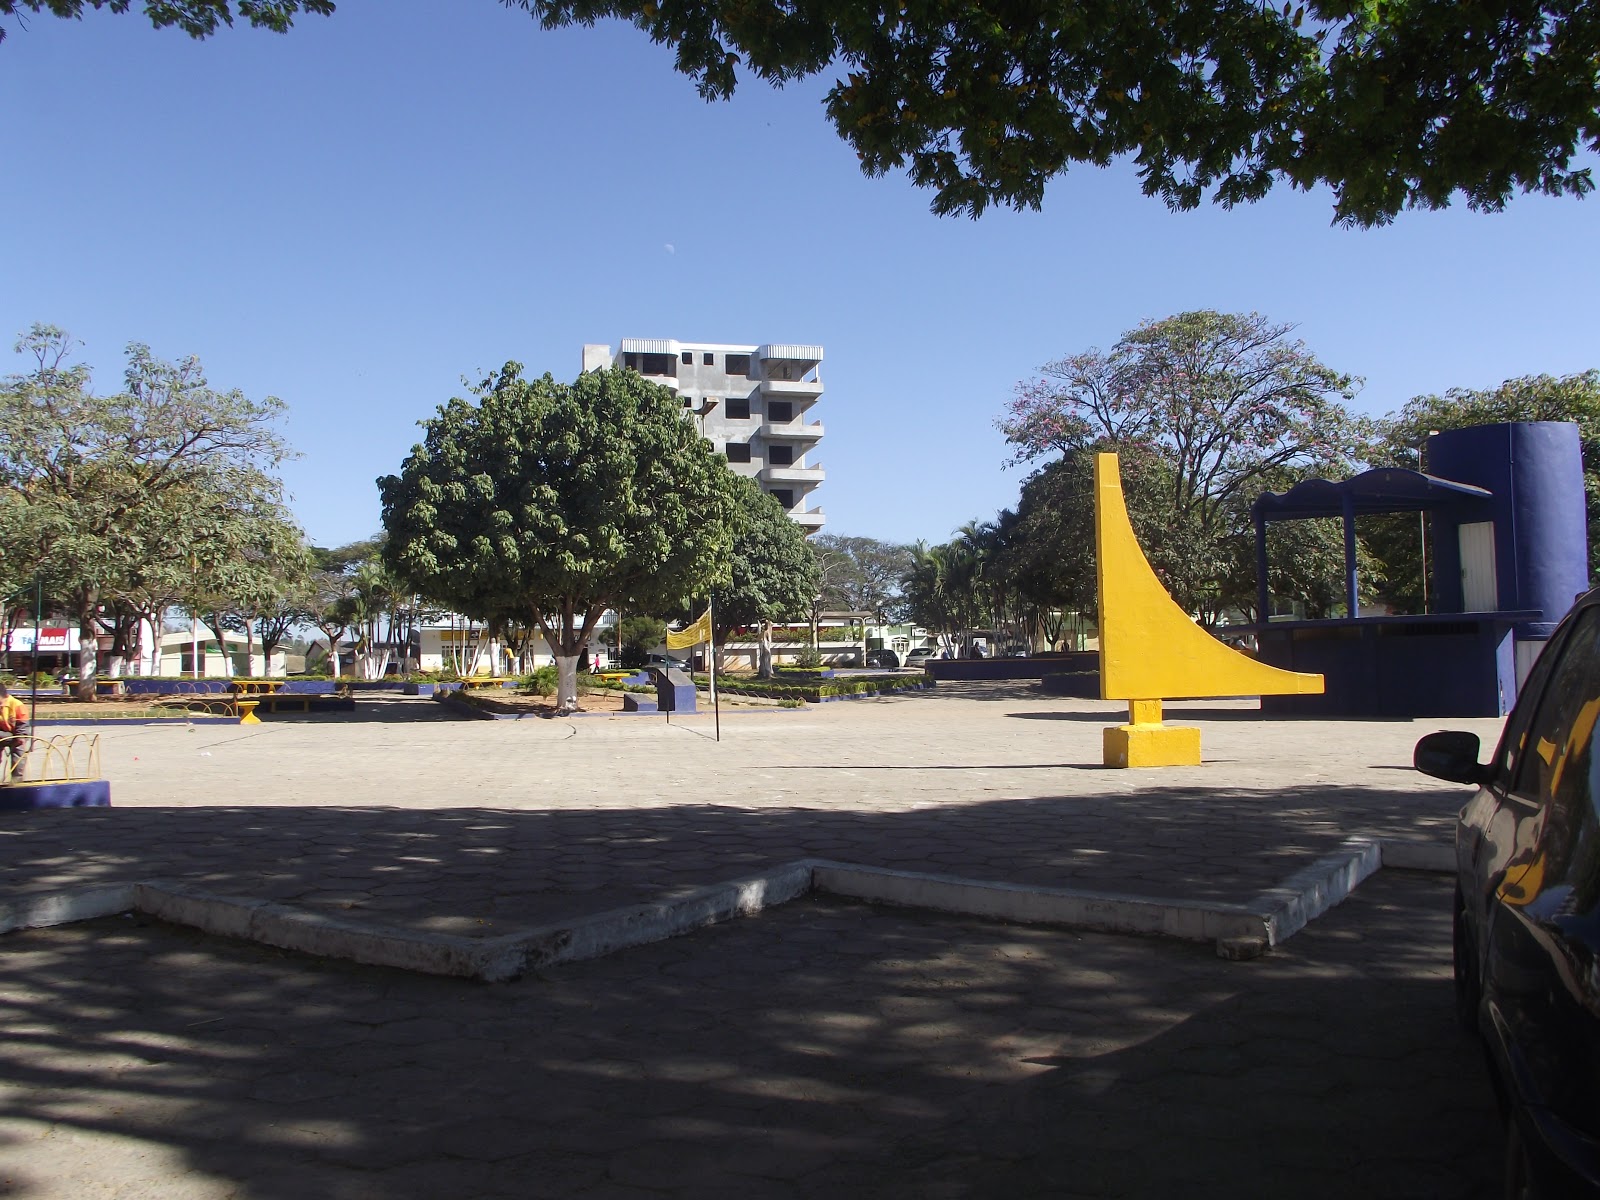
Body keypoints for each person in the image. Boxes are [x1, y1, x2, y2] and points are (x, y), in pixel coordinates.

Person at [0, 683, 29, 779]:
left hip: (16, 735)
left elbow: (23, 723)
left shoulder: (17, 705)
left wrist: (21, 736)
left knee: (18, 752)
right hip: (2, 734)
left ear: (5, 697)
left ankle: (16, 780)